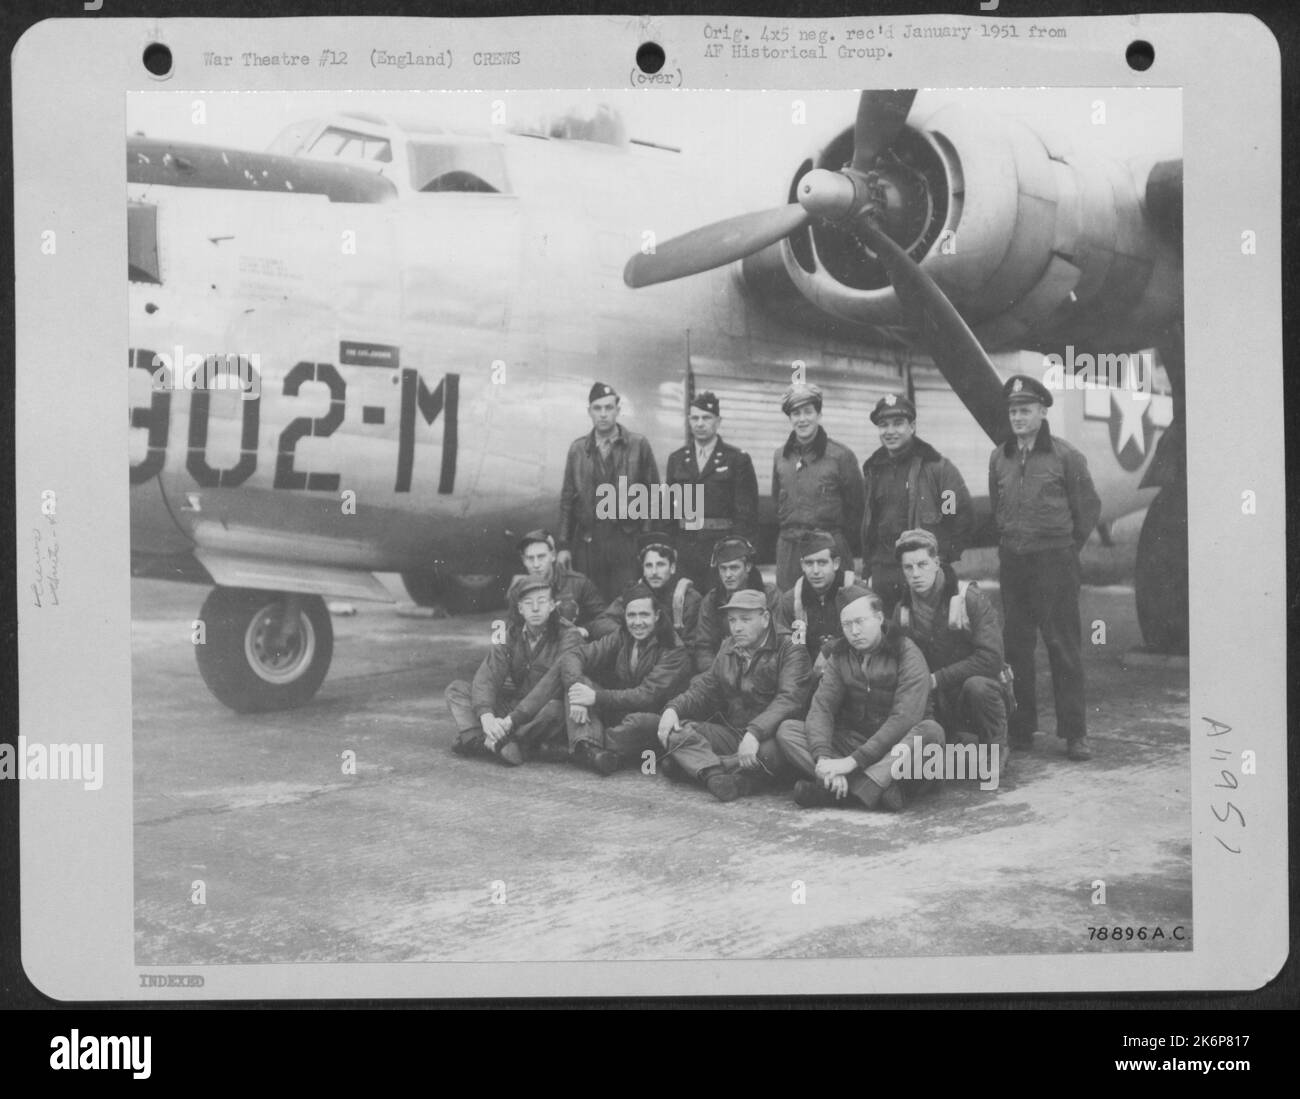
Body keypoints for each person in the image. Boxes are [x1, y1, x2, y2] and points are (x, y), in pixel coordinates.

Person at [988, 374, 1102, 761]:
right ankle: (1021, 730)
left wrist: (1065, 549)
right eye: (1013, 411)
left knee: (1063, 646)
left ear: (1042, 411)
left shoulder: (1065, 456)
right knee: (1016, 646)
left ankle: (1075, 734)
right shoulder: (999, 456)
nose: (1018, 417)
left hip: (1054, 561)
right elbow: (997, 503)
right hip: (1014, 562)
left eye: (1025, 409)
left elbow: (1088, 508)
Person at [776, 586, 943, 811]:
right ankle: (866, 788)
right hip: (857, 741)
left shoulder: (906, 651)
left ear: (879, 618)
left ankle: (841, 793)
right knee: (788, 730)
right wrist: (824, 759)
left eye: (860, 621)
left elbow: (905, 718)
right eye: (846, 624)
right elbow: (822, 708)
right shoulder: (840, 655)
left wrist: (850, 763)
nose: (854, 631)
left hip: (897, 745)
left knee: (931, 732)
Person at [641, 589, 812, 802]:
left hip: (769, 736)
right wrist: (672, 709)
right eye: (732, 620)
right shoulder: (729, 645)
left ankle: (701, 767)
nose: (737, 627)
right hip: (734, 734)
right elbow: (705, 686)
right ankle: (715, 774)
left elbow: (790, 699)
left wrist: (755, 733)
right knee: (678, 731)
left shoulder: (791, 648)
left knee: (773, 751)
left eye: (745, 620)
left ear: (765, 618)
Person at [891, 529, 1008, 760]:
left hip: (975, 694)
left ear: (936, 563)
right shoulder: (902, 611)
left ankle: (996, 745)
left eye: (922, 564)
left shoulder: (969, 598)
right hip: (936, 699)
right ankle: (948, 742)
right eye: (908, 567)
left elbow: (992, 659)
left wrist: (937, 679)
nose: (915, 574)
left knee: (978, 687)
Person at [443, 576, 581, 766]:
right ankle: (498, 743)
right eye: (528, 603)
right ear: (520, 609)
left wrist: (509, 722)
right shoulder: (507, 633)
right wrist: (487, 716)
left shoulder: (568, 634)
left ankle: (479, 740)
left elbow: (552, 683)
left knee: (555, 710)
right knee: (456, 689)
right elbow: (487, 676)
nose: (534, 608)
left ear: (552, 606)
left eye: (541, 602)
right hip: (513, 706)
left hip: (539, 709)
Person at [559, 583, 693, 775]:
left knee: (638, 723)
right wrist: (576, 689)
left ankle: (585, 746)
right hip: (621, 710)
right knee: (578, 683)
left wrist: (596, 697)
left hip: (655, 717)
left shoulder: (673, 649)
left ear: (657, 616)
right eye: (631, 615)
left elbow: (646, 696)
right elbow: (574, 655)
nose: (637, 622)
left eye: (644, 615)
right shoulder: (622, 636)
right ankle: (596, 751)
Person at [860, 394, 973, 616]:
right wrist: (869, 565)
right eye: (883, 425)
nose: (890, 431)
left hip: (921, 569)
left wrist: (943, 557)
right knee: (888, 635)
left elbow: (957, 513)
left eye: (898, 424)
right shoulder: (873, 468)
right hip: (884, 569)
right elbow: (869, 521)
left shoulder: (937, 468)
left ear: (912, 426)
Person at [558, 382, 660, 601]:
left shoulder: (638, 445)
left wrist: (646, 542)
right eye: (597, 408)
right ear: (589, 412)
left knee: (626, 601)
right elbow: (567, 499)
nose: (603, 414)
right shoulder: (578, 450)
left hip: (626, 540)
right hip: (589, 543)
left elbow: (653, 496)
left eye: (608, 408)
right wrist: (564, 545)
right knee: (590, 603)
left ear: (618, 410)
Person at [658, 391, 759, 589]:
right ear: (688, 421)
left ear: (718, 421)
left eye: (706, 418)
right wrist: (670, 548)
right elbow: (668, 511)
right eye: (695, 418)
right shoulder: (677, 459)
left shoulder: (736, 459)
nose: (700, 423)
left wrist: (736, 553)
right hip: (686, 549)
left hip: (721, 550)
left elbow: (746, 514)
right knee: (686, 604)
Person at [771, 383, 865, 590]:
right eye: (796, 413)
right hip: (790, 549)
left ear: (819, 414)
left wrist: (836, 543)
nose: (802, 419)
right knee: (789, 608)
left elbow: (856, 507)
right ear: (790, 418)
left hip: (828, 547)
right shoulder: (781, 457)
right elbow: (776, 500)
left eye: (808, 412)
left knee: (835, 608)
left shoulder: (840, 456)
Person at [589, 535, 702, 645]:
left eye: (660, 564)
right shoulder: (634, 594)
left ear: (672, 568)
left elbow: (691, 648)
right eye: (648, 565)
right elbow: (600, 624)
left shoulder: (688, 600)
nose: (654, 572)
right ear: (643, 569)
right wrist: (632, 631)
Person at [772, 529, 855, 675]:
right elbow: (789, 648)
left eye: (822, 563)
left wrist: (829, 650)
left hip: (851, 672)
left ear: (835, 563)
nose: (815, 571)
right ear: (802, 565)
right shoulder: (791, 601)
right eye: (809, 563)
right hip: (810, 673)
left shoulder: (856, 593)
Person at [690, 536, 778, 673]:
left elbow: (780, 641)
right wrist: (720, 675)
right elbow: (703, 647)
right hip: (723, 672)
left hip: (763, 671)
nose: (728, 575)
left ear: (748, 567)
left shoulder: (770, 595)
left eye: (734, 568)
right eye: (723, 569)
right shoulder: (711, 601)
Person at [515, 528, 606, 638]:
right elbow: (512, 630)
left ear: (553, 556)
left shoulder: (579, 583)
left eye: (541, 556)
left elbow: (604, 619)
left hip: (576, 649)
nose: (536, 564)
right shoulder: (518, 591)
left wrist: (585, 630)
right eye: (530, 558)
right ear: (523, 560)